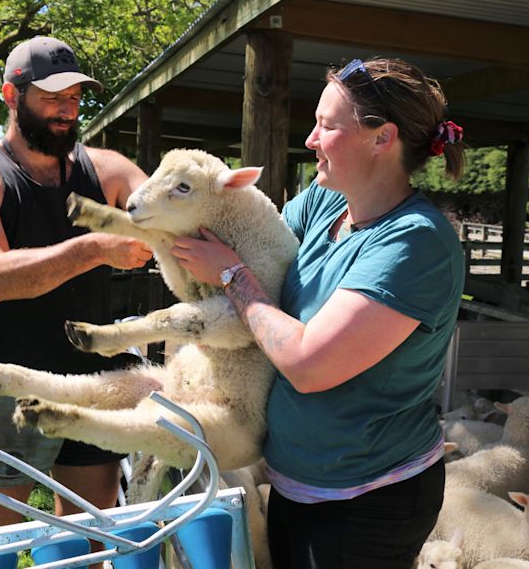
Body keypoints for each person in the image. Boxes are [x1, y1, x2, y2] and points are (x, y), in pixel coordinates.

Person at [171, 57, 467, 568]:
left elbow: (309, 364)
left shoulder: (414, 242)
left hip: (365, 499)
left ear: (382, 139)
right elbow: (251, 253)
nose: (310, 139)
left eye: (327, 126)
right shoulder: (326, 203)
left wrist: (230, 275)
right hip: (298, 483)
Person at [0, 36, 153, 558]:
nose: (67, 110)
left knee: (84, 545)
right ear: (11, 94)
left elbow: (168, 202)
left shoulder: (105, 170)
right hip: (8, 380)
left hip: (91, 382)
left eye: (76, 98)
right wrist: (97, 247)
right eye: (52, 97)